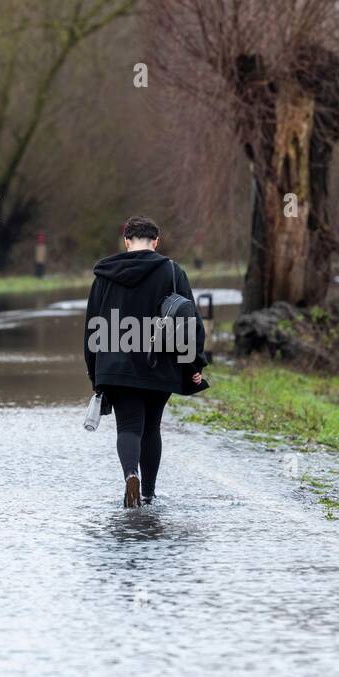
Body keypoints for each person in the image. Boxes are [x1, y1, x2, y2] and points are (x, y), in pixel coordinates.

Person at [84, 215, 208, 508]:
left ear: (126, 240)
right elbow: (189, 321)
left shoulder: (104, 276)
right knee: (151, 428)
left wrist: (95, 373)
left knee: (128, 426)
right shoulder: (172, 273)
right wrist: (194, 366)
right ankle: (149, 493)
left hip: (116, 366)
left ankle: (130, 477)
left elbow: (92, 327)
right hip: (159, 364)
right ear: (156, 241)